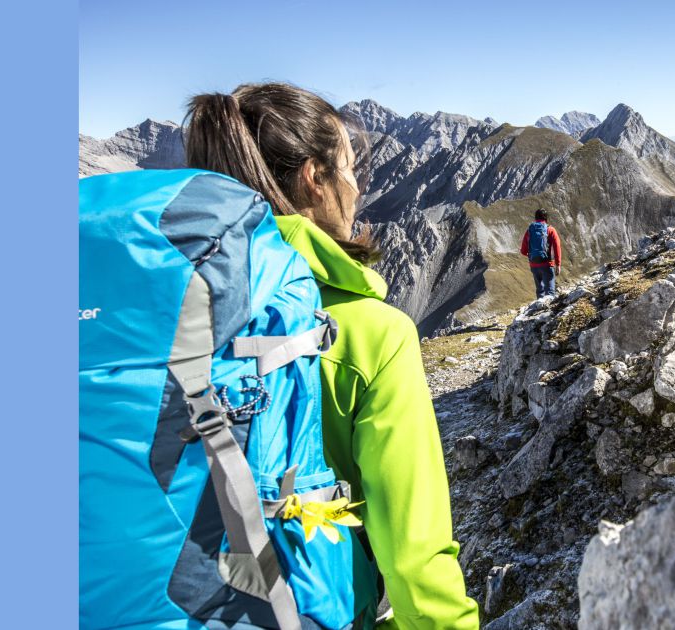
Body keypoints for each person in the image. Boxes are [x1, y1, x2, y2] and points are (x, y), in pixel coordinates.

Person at [185, 82, 478, 630]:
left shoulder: (148, 315)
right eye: (348, 168)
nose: (358, 186)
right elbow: (417, 568)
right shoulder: (374, 334)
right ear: (314, 179)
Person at [519, 208, 562, 298]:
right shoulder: (550, 229)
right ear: (546, 218)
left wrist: (532, 255)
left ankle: (539, 309)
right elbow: (557, 247)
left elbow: (523, 251)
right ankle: (549, 311)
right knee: (550, 292)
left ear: (535, 218)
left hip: (534, 265)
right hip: (547, 264)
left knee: (540, 291)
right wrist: (558, 265)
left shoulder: (530, 230)